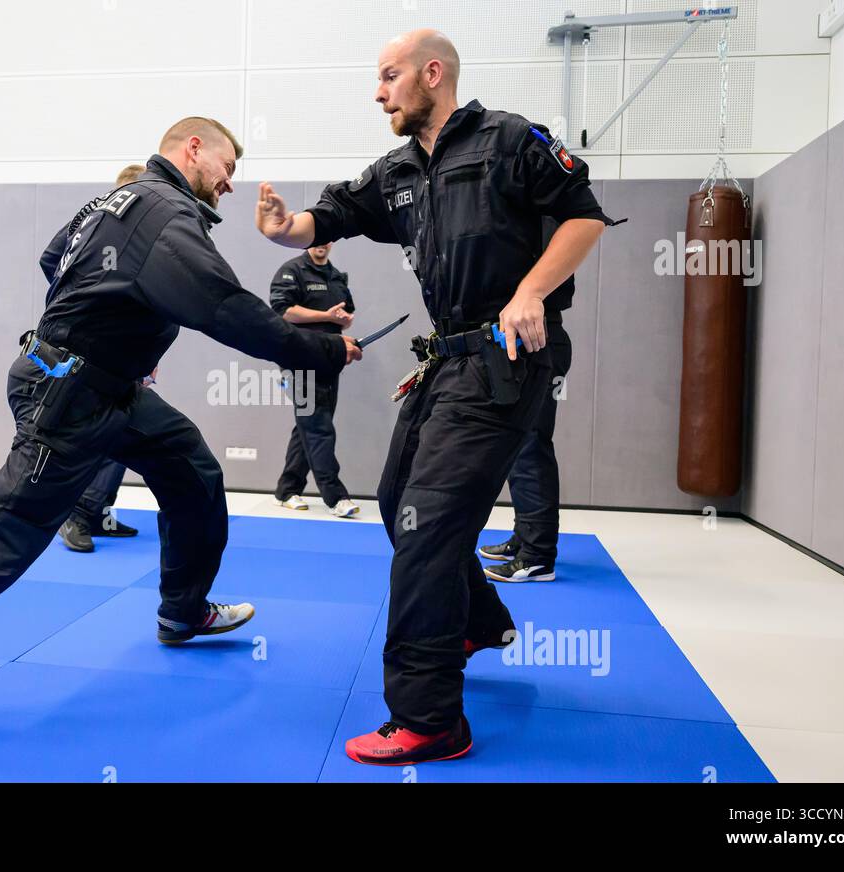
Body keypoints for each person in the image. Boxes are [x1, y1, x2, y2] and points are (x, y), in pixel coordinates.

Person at [0, 117, 362, 759]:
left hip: (111, 389)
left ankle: (182, 609)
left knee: (191, 470)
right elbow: (226, 310)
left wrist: (112, 320)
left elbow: (52, 258)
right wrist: (322, 352)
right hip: (68, 397)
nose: (231, 182)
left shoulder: (115, 202)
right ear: (192, 148)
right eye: (228, 165)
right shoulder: (166, 212)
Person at [256, 30, 615, 765]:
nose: (379, 92)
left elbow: (582, 216)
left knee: (426, 529)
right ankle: (478, 620)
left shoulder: (510, 140)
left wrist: (529, 293)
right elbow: (334, 217)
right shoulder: (396, 171)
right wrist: (286, 229)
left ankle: (430, 718)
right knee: (397, 500)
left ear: (432, 73)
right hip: (448, 358)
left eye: (388, 77)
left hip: (509, 355)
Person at [49, 163, 148, 554]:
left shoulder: (94, 215)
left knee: (119, 429)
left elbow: (49, 260)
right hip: (94, 347)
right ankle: (77, 513)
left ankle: (97, 512)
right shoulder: (112, 220)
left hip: (113, 344)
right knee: (101, 430)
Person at [479, 217, 575, 582]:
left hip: (539, 335)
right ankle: (525, 538)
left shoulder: (547, 215)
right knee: (521, 446)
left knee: (532, 444)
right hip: (522, 336)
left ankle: (537, 555)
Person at [269, 241, 360, 518]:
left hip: (330, 363)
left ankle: (287, 490)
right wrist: (326, 315)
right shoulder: (292, 271)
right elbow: (283, 311)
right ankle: (335, 497)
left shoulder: (336, 276)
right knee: (318, 428)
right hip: (299, 362)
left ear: (332, 242)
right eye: (316, 238)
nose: (321, 243)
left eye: (327, 238)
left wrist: (344, 321)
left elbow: (346, 316)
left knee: (308, 427)